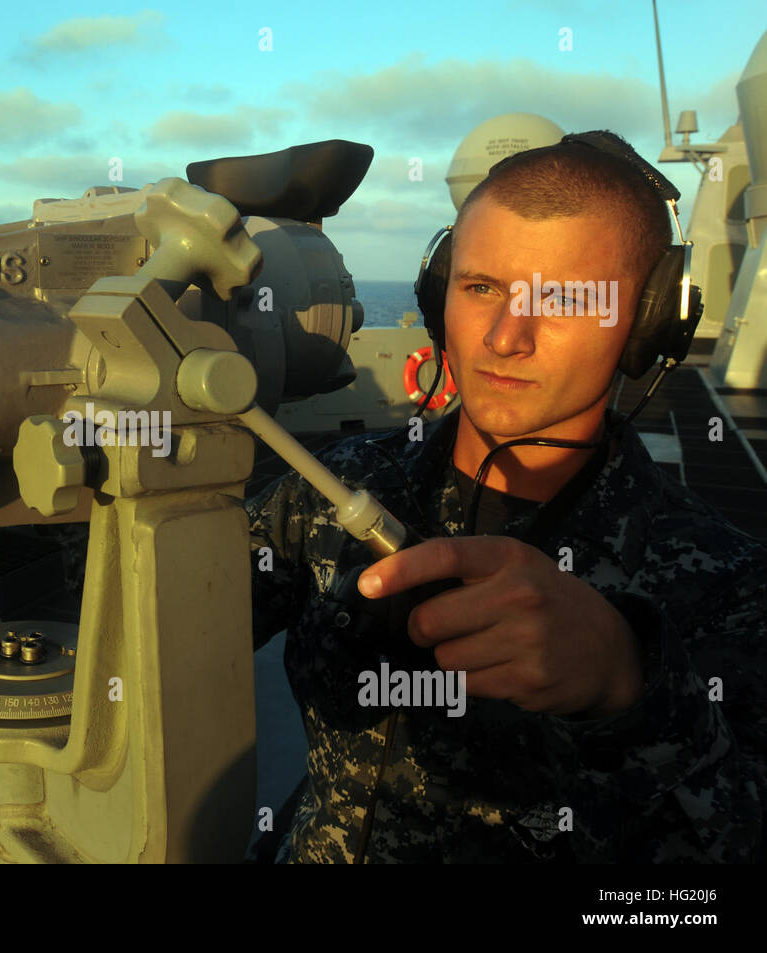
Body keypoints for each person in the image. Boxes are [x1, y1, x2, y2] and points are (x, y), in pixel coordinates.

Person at [247, 131, 767, 863]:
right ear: (439, 292)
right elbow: (175, 619)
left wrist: (630, 684)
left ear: (650, 323)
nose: (503, 336)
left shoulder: (731, 586)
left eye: (561, 299)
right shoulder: (333, 488)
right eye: (481, 287)